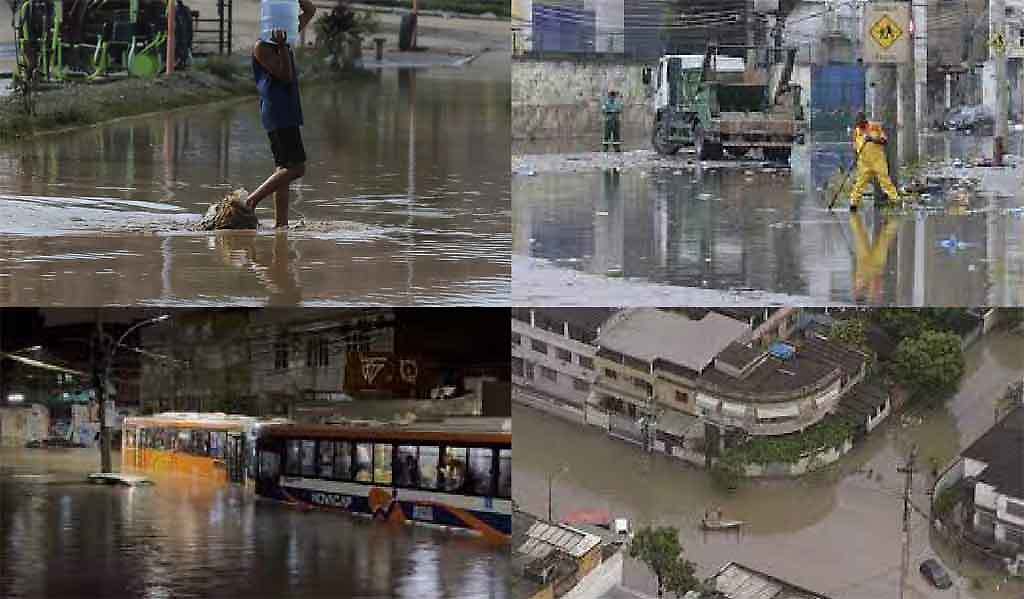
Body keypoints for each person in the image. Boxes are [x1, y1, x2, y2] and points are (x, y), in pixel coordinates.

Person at [242, 0, 317, 228]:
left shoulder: (287, 36)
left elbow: (310, 11)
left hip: (287, 110)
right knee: (296, 168)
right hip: (278, 112)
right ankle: (251, 201)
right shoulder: (262, 47)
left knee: (283, 169)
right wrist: (283, 47)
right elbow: (285, 76)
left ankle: (281, 225)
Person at [849, 111, 900, 212]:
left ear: (865, 121)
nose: (859, 125)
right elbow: (855, 148)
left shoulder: (875, 127)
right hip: (864, 163)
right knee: (859, 184)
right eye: (857, 123)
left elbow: (884, 141)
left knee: (886, 182)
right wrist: (855, 159)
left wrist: (872, 139)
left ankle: (896, 200)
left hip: (878, 161)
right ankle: (853, 204)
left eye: (861, 123)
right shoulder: (856, 132)